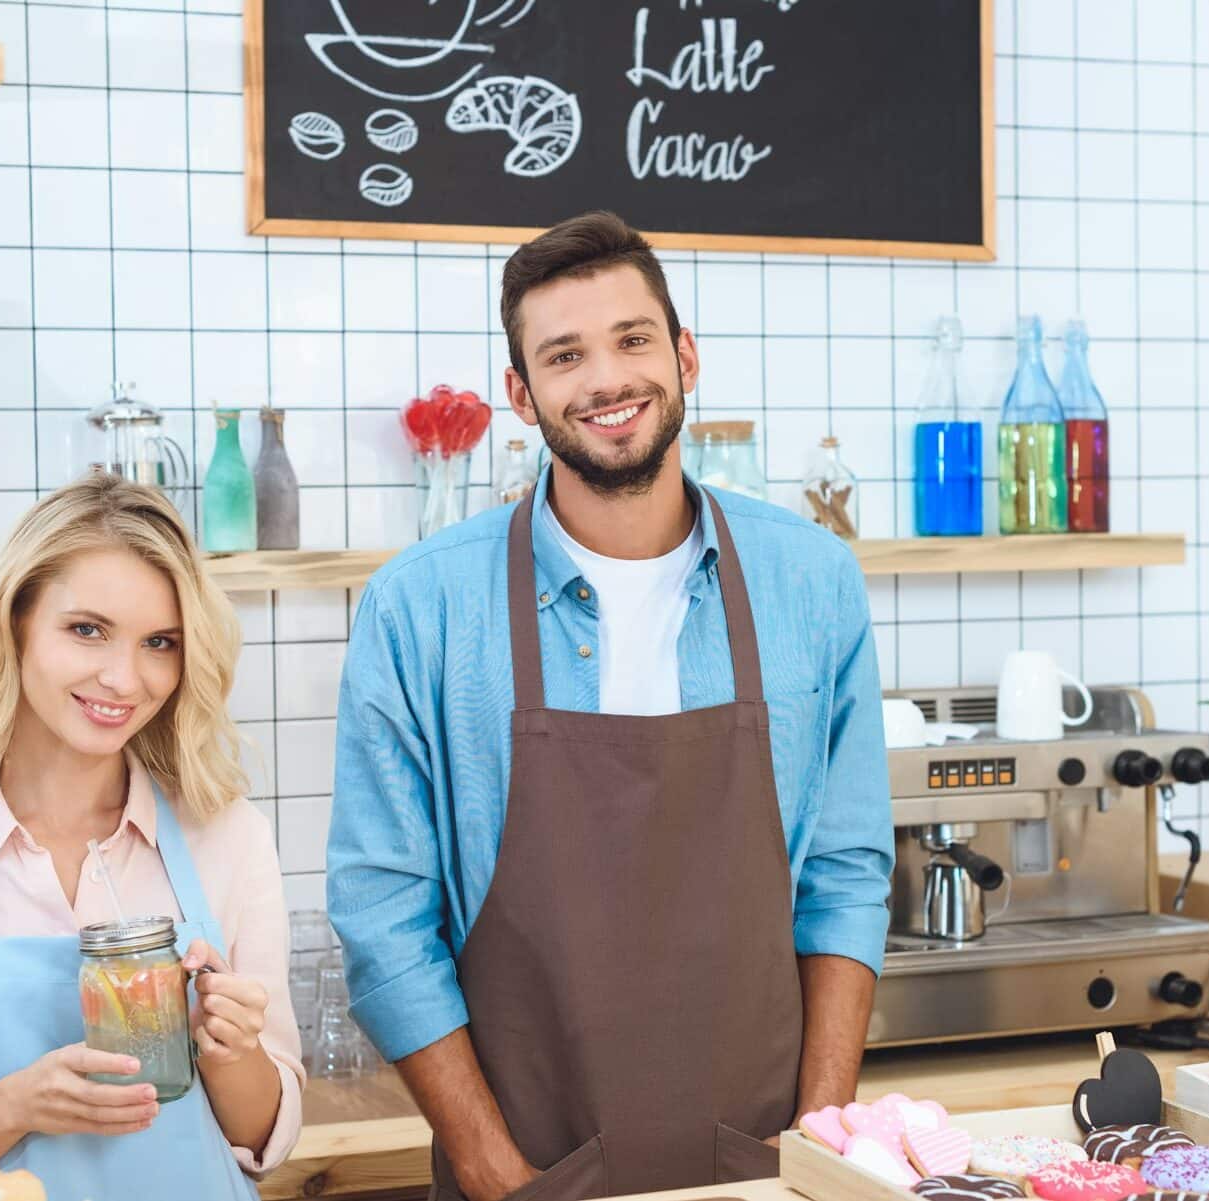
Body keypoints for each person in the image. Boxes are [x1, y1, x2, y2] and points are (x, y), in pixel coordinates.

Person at [328, 211, 894, 1201]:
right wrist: (494, 1171)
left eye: (633, 339)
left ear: (685, 355)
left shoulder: (812, 580)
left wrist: (820, 1139)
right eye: (565, 355)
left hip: (769, 1173)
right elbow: (383, 917)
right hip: (523, 1177)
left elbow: (845, 877)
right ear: (521, 393)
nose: (607, 378)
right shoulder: (421, 607)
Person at [0, 475, 304, 1199]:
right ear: (16, 622)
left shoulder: (230, 840)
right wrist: (17, 1106)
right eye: (87, 630)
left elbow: (268, 1141)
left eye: (159, 643)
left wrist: (232, 1052)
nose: (124, 678)